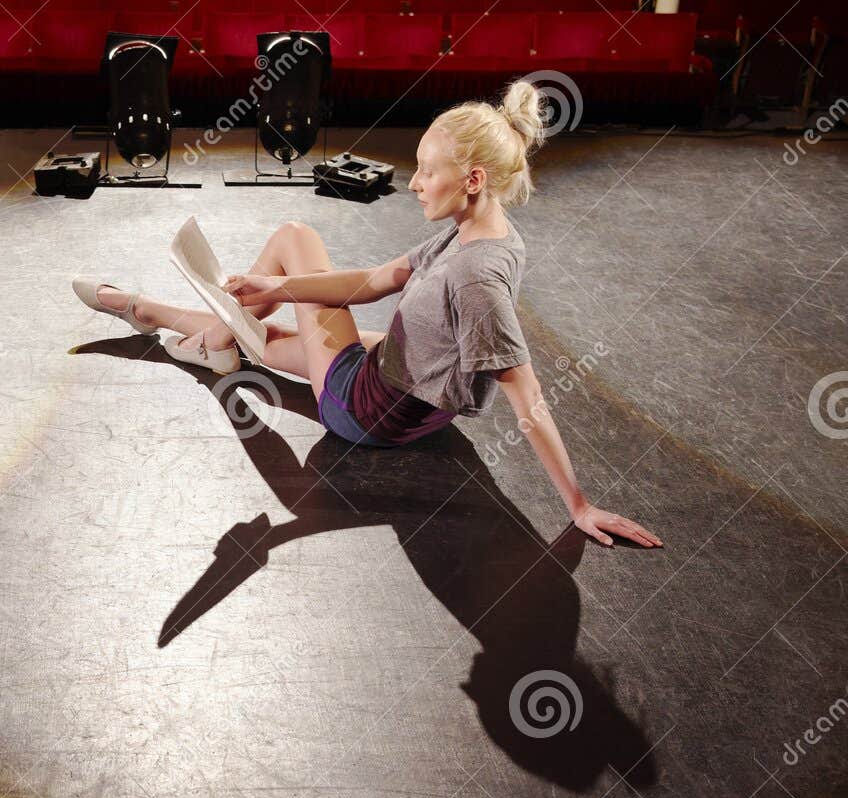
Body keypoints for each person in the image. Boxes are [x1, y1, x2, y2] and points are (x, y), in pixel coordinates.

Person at [71, 79, 662, 550]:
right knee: (270, 337)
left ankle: (190, 323)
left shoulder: (475, 277)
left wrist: (579, 505)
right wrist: (279, 287)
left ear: (474, 179)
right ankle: (157, 314)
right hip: (413, 386)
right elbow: (381, 280)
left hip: (364, 409)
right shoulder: (488, 234)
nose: (416, 183)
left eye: (429, 170)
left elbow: (526, 395)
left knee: (294, 234)